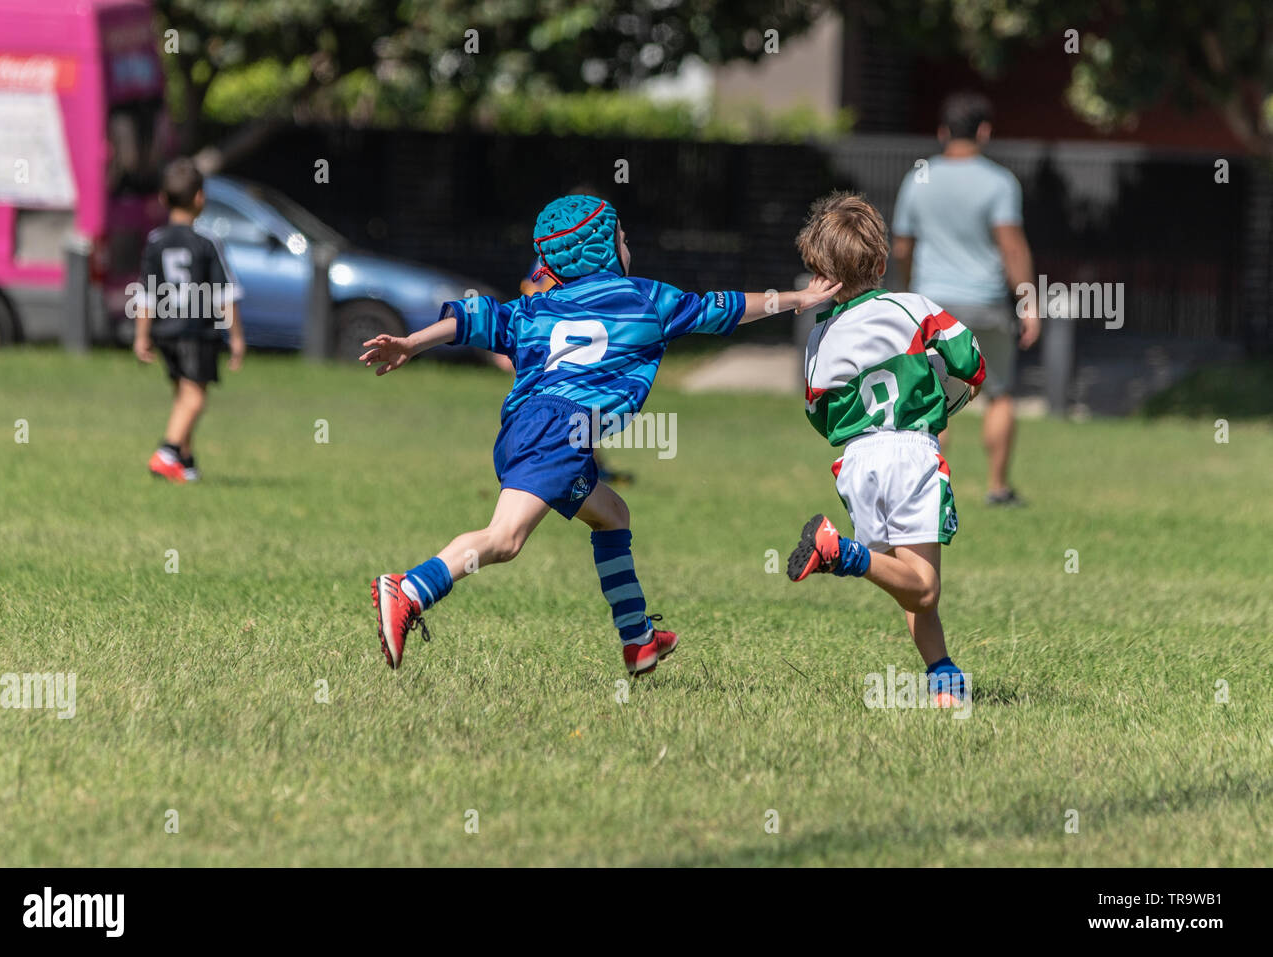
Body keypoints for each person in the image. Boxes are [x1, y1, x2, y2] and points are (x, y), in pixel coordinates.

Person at [360, 193, 840, 675]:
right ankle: (410, 590)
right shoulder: (647, 301)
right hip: (558, 429)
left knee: (611, 514)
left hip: (529, 427)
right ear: (603, 249)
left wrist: (411, 344)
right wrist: (797, 299)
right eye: (621, 236)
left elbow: (472, 319)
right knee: (504, 539)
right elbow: (729, 307)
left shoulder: (538, 307)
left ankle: (639, 640)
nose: (628, 241)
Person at [785, 192, 985, 705]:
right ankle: (839, 551)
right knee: (924, 587)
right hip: (910, 453)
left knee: (906, 580)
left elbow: (817, 413)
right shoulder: (911, 306)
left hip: (855, 461)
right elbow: (968, 356)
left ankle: (943, 678)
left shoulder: (819, 338)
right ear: (880, 262)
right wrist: (960, 387)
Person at [891, 92, 1039, 506]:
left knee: (932, 395)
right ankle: (997, 487)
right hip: (986, 303)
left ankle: (928, 485)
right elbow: (1012, 248)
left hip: (931, 307)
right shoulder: (999, 182)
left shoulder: (917, 178)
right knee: (1000, 392)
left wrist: (907, 294)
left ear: (942, 133)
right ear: (984, 132)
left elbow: (902, 248)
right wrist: (1028, 302)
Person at [133, 158, 245, 482]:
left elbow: (146, 294)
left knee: (183, 395)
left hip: (165, 330)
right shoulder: (207, 243)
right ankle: (167, 451)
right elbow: (226, 294)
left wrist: (142, 336)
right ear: (201, 198)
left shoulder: (155, 240)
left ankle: (185, 462)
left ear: (162, 199)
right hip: (196, 331)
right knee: (195, 397)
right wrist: (236, 337)